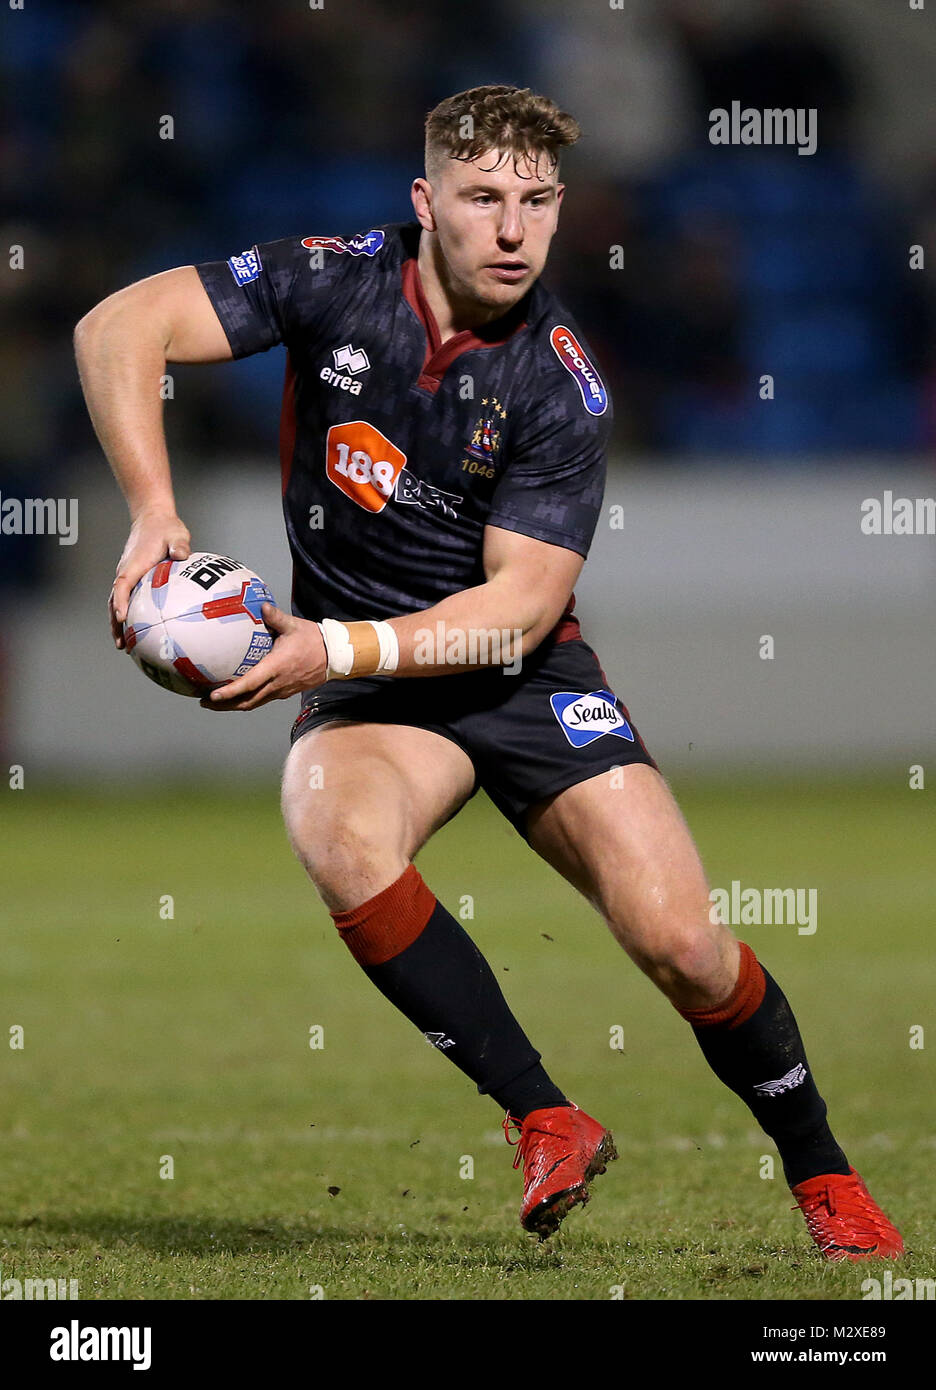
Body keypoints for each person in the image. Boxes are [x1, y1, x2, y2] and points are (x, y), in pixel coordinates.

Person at [75, 84, 901, 1257]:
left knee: (681, 944)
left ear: (561, 211)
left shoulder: (560, 384)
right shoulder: (332, 277)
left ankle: (823, 1172)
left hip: (512, 673)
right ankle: (546, 1114)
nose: (512, 229)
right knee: (336, 833)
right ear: (426, 204)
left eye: (536, 202)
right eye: (482, 199)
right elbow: (116, 325)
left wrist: (327, 647)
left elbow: (513, 617)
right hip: (370, 679)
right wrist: (153, 507)